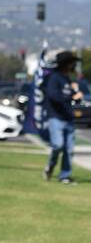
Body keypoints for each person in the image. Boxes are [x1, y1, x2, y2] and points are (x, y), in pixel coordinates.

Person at [43, 51, 80, 184]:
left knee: (68, 150)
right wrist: (71, 96)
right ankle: (51, 166)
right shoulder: (55, 77)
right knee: (58, 145)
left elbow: (73, 100)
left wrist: (76, 93)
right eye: (72, 62)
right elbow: (54, 97)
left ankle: (65, 176)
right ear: (66, 63)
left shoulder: (68, 79)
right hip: (56, 117)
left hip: (68, 118)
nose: (74, 65)